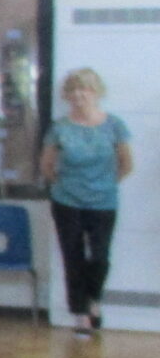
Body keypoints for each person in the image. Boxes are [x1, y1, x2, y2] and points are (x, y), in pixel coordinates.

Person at [41, 67, 134, 335]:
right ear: (67, 95)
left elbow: (127, 164)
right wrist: (63, 185)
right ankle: (81, 314)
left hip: (104, 201)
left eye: (86, 89)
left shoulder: (114, 125)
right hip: (67, 201)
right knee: (73, 257)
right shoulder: (60, 127)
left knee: (100, 256)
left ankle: (94, 298)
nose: (79, 95)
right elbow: (47, 164)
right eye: (74, 90)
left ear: (97, 92)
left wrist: (105, 184)